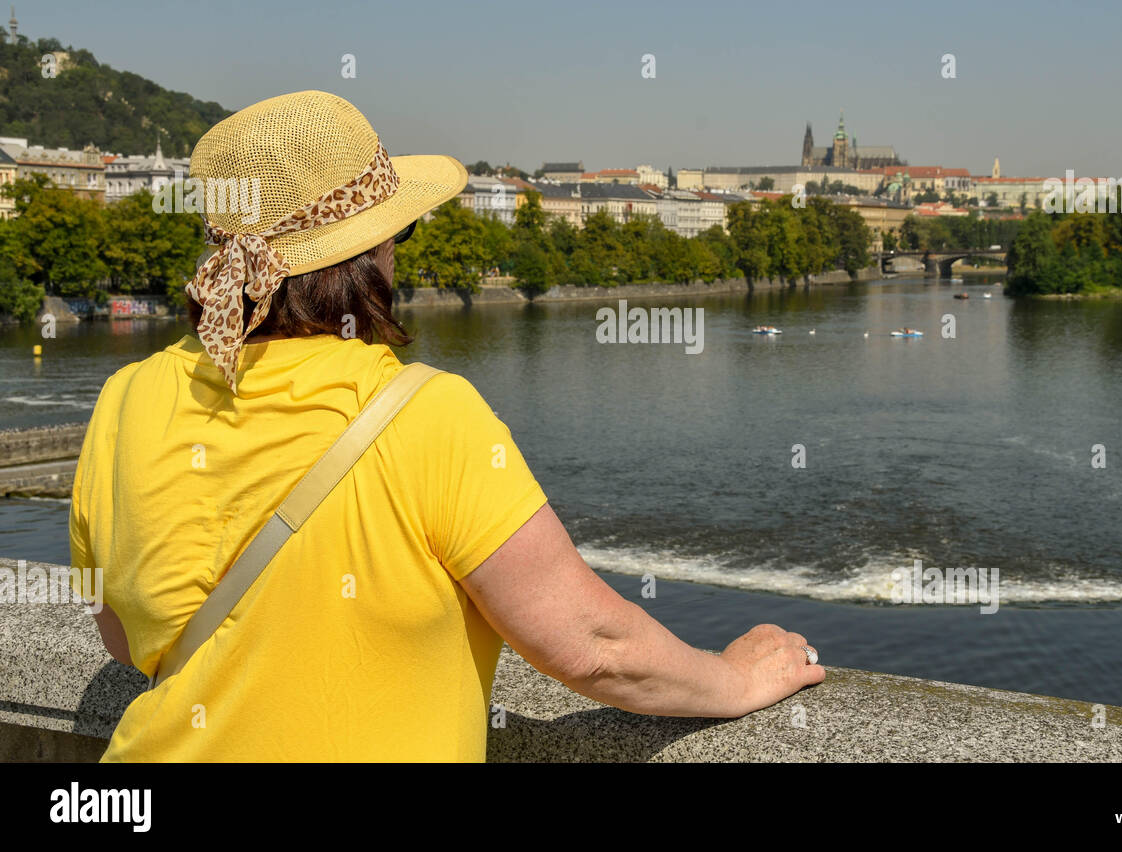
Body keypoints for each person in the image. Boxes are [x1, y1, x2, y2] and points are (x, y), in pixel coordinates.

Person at [69, 91, 823, 762]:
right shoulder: (425, 415)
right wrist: (737, 675)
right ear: (368, 257)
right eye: (400, 236)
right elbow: (596, 649)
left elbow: (127, 640)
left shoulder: (124, 400)